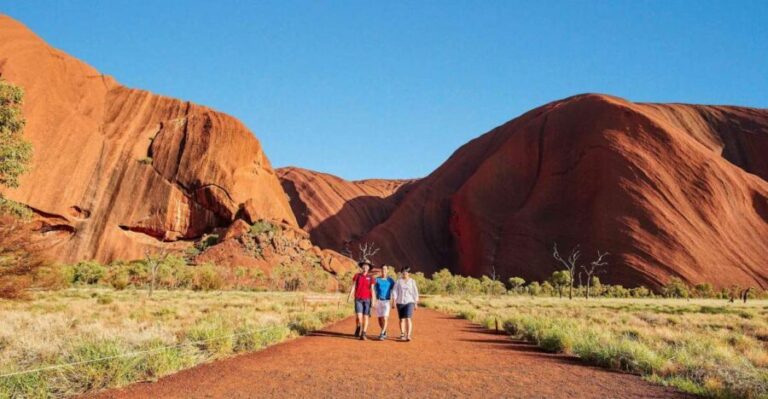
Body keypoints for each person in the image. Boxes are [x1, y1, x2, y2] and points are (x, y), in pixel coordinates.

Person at [347, 261, 376, 340]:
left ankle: (363, 333)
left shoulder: (371, 278)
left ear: (369, 268)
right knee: (359, 318)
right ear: (362, 267)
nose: (365, 267)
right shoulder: (357, 276)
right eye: (364, 266)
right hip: (358, 299)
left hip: (367, 299)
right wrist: (349, 296)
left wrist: (373, 300)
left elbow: (372, 290)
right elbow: (353, 286)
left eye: (367, 266)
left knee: (365, 317)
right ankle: (358, 326)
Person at [392, 266, 419, 342]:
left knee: (408, 318)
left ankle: (408, 335)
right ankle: (402, 334)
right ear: (401, 273)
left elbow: (415, 292)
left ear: (409, 273)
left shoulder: (412, 281)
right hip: (400, 302)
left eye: (406, 272)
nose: (404, 273)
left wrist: (416, 302)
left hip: (409, 302)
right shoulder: (398, 281)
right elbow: (394, 291)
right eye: (403, 271)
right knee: (401, 319)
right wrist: (394, 301)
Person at [373, 265, 396, 340]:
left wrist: (394, 301)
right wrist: (373, 300)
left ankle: (382, 333)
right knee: (380, 318)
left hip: (386, 301)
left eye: (385, 269)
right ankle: (384, 330)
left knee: (385, 317)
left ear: (387, 271)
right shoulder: (377, 280)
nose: (384, 271)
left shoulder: (391, 280)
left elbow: (394, 291)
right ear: (381, 270)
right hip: (378, 300)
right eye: (382, 269)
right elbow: (373, 289)